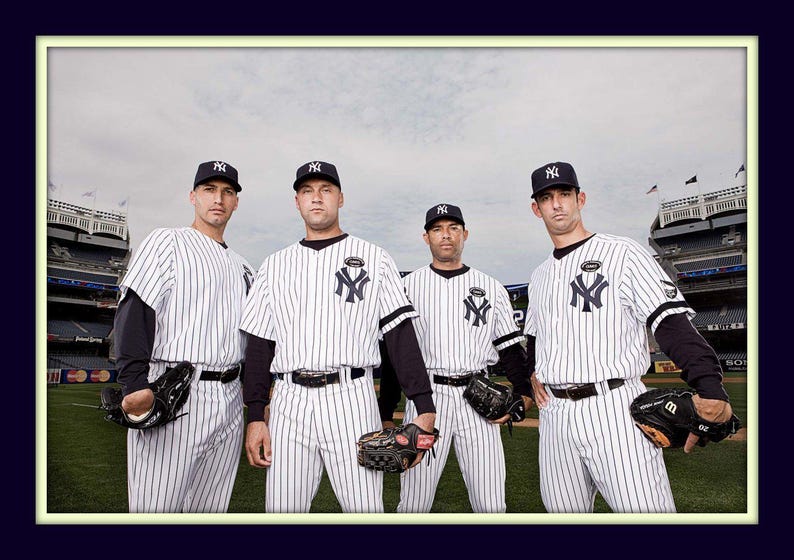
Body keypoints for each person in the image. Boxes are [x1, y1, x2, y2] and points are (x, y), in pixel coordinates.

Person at [524, 161, 736, 513]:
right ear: (537, 209)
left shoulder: (622, 253)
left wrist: (709, 387)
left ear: (581, 199)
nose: (557, 203)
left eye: (565, 194)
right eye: (547, 198)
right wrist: (533, 369)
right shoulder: (539, 275)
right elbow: (536, 334)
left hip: (614, 408)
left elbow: (669, 322)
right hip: (555, 415)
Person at [240, 160, 437, 513]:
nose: (317, 198)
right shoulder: (273, 266)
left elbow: (400, 336)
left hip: (351, 397)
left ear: (340, 198)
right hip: (289, 401)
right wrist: (256, 415)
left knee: (364, 510)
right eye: (307, 191)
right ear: (297, 202)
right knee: (282, 511)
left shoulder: (374, 258)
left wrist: (424, 405)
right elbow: (259, 346)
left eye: (325, 190)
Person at [113, 160, 254, 513]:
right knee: (157, 510)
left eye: (227, 192)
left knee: (211, 511)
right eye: (209, 190)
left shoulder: (245, 267)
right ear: (193, 197)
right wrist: (132, 383)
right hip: (176, 390)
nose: (218, 198)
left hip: (231, 398)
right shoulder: (167, 241)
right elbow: (135, 308)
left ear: (236, 202)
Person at [377, 203, 534, 513]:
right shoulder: (405, 287)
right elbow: (394, 353)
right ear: (426, 237)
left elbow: (510, 348)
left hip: (478, 398)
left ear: (465, 234)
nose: (445, 236)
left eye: (452, 229)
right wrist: (386, 410)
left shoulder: (491, 287)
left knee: (491, 502)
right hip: (426, 400)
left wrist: (524, 391)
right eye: (437, 229)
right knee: (413, 503)